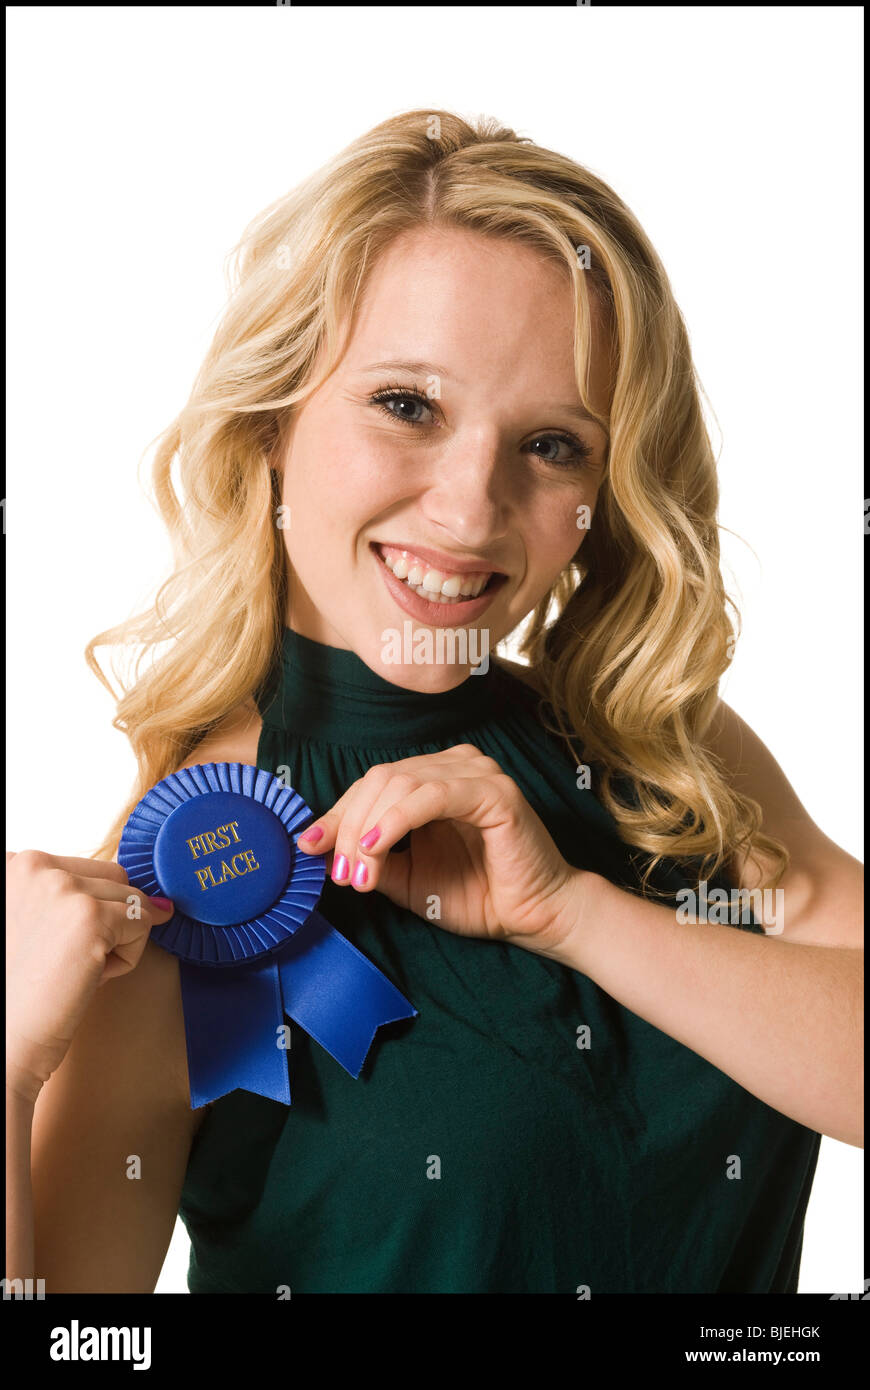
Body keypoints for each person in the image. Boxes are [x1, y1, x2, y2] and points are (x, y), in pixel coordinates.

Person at [6, 109, 862, 1296]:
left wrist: (577, 916)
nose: (470, 510)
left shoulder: (661, 757)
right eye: (406, 403)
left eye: (553, 443)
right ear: (270, 419)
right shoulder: (192, 890)